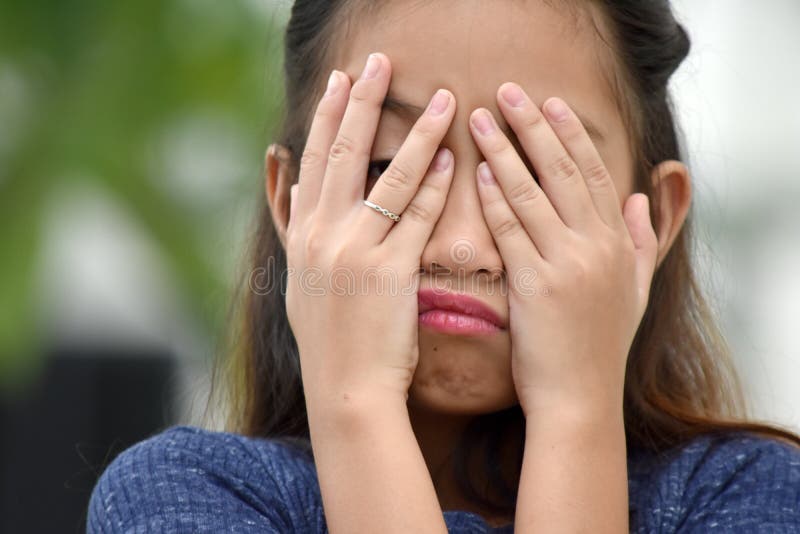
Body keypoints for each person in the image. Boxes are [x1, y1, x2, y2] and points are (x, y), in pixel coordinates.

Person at [87, 0, 800, 532]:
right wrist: (356, 403)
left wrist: (577, 412)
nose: (461, 244)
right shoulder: (182, 499)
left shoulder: (744, 498)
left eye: (533, 176)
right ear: (291, 202)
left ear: (655, 218)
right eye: (391, 166)